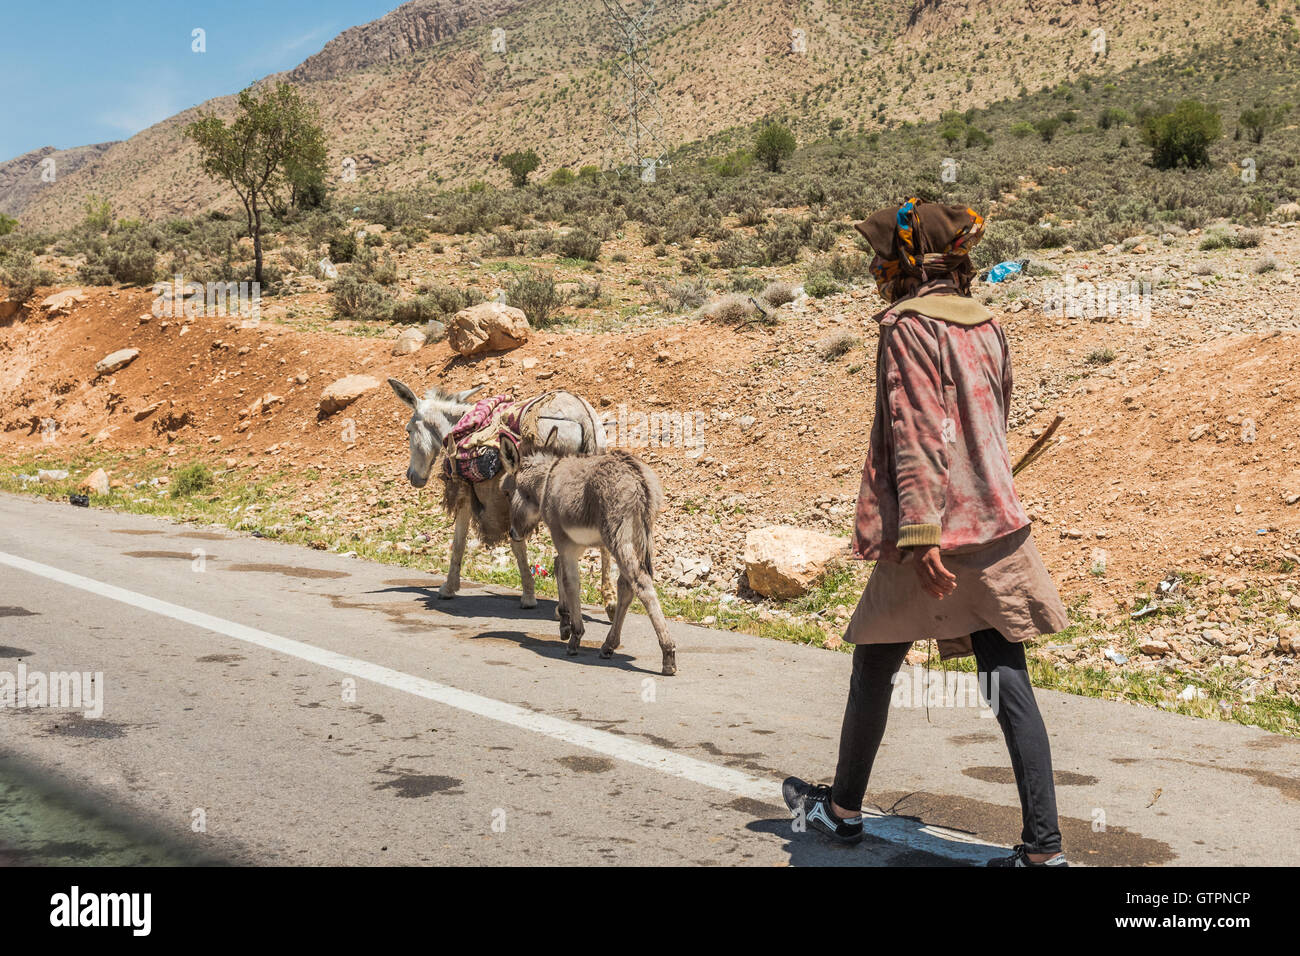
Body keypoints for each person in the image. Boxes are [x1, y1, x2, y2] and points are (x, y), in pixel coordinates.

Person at [783, 197, 1070, 867]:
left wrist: (920, 533)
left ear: (907, 264)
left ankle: (844, 811)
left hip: (932, 532)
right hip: (995, 521)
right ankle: (1044, 851)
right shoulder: (989, 323)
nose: (874, 268)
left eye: (881, 257)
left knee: (875, 661)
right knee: (1006, 675)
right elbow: (988, 420)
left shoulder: (907, 327)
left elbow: (914, 432)